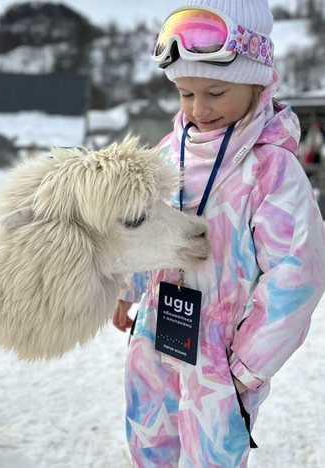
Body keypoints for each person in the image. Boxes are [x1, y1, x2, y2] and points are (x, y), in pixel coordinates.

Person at [113, 1, 325, 467]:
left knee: (211, 459)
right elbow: (144, 227)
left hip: (220, 355)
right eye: (186, 94)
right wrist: (129, 289)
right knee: (149, 449)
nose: (198, 109)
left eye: (214, 91)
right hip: (157, 333)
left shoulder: (271, 169)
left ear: (256, 81)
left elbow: (297, 275)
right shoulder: (169, 152)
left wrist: (248, 364)